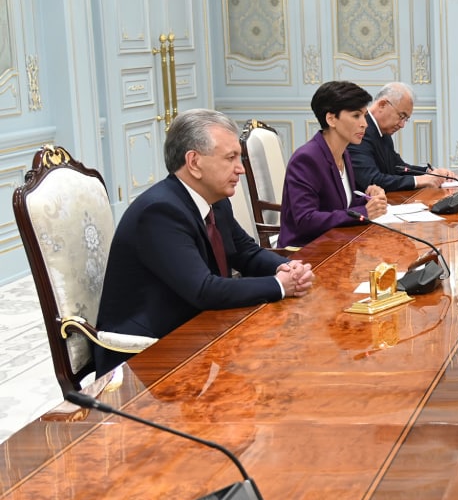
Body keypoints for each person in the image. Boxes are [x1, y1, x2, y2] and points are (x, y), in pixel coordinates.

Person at [95, 110, 314, 374]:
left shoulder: (215, 201)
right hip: (148, 354)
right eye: (230, 158)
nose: (241, 168)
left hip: (198, 330)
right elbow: (203, 290)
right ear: (194, 162)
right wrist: (279, 286)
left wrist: (285, 268)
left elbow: (246, 252)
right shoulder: (160, 212)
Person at [278, 80, 389, 248]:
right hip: (306, 252)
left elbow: (339, 206)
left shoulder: (343, 153)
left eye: (364, 116)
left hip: (336, 244)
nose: (364, 124)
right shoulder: (306, 159)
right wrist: (364, 212)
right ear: (331, 119)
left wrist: (368, 200)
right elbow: (305, 220)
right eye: (356, 116)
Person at [350, 82, 454, 192]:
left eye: (406, 119)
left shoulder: (382, 131)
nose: (402, 125)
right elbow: (372, 180)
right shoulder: (360, 132)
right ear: (382, 105)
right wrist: (420, 180)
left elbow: (398, 168)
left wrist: (429, 173)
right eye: (401, 116)